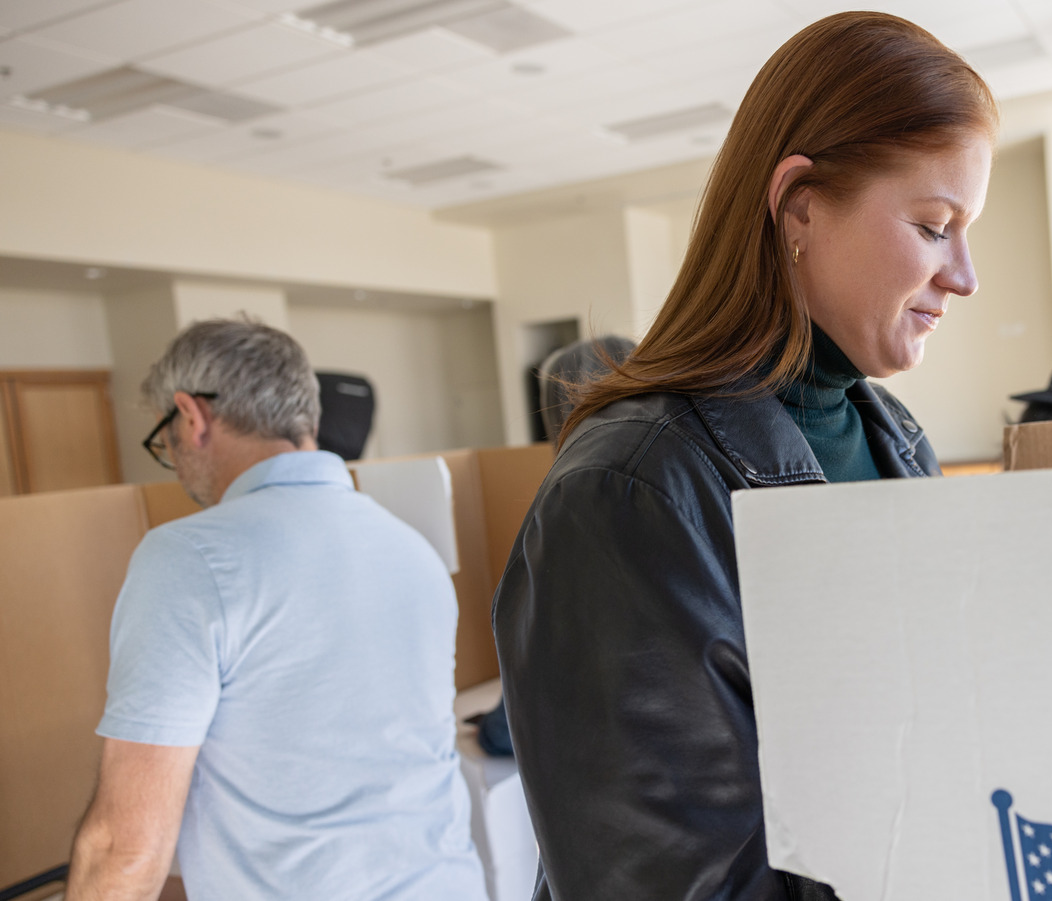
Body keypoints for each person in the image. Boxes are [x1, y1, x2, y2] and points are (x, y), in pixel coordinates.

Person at [492, 12, 996, 901]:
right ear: (800, 204)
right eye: (932, 225)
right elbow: (671, 882)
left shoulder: (895, 438)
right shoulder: (628, 490)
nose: (965, 275)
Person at [67, 319, 487, 901]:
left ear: (191, 417)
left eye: (163, 435)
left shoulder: (189, 559)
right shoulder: (412, 549)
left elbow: (126, 848)